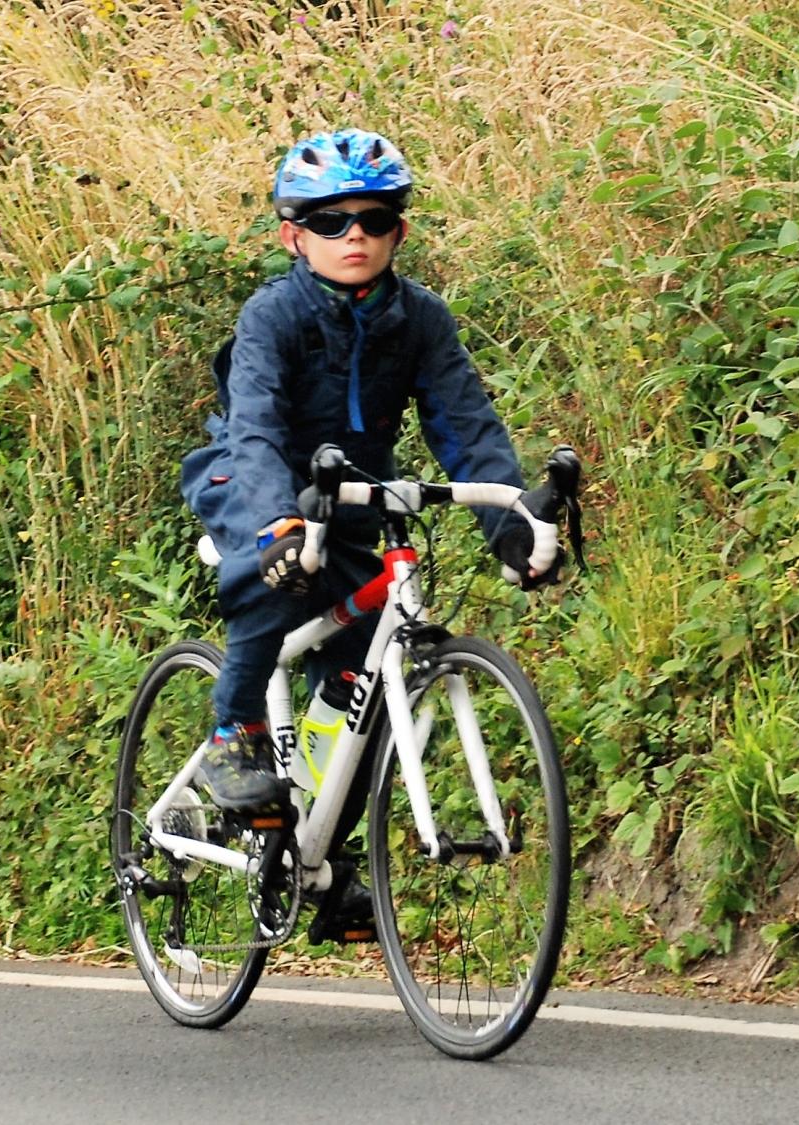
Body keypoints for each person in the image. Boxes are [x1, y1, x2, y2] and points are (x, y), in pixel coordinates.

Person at [178, 128, 555, 942]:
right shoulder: (272, 314)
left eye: (374, 219)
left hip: (353, 494)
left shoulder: (421, 319)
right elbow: (254, 428)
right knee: (275, 578)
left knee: (365, 684)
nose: (354, 235)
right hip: (249, 477)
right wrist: (276, 520)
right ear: (294, 236)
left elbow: (466, 426)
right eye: (330, 221)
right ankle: (232, 733)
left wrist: (510, 525)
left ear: (399, 231)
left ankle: (321, 858)